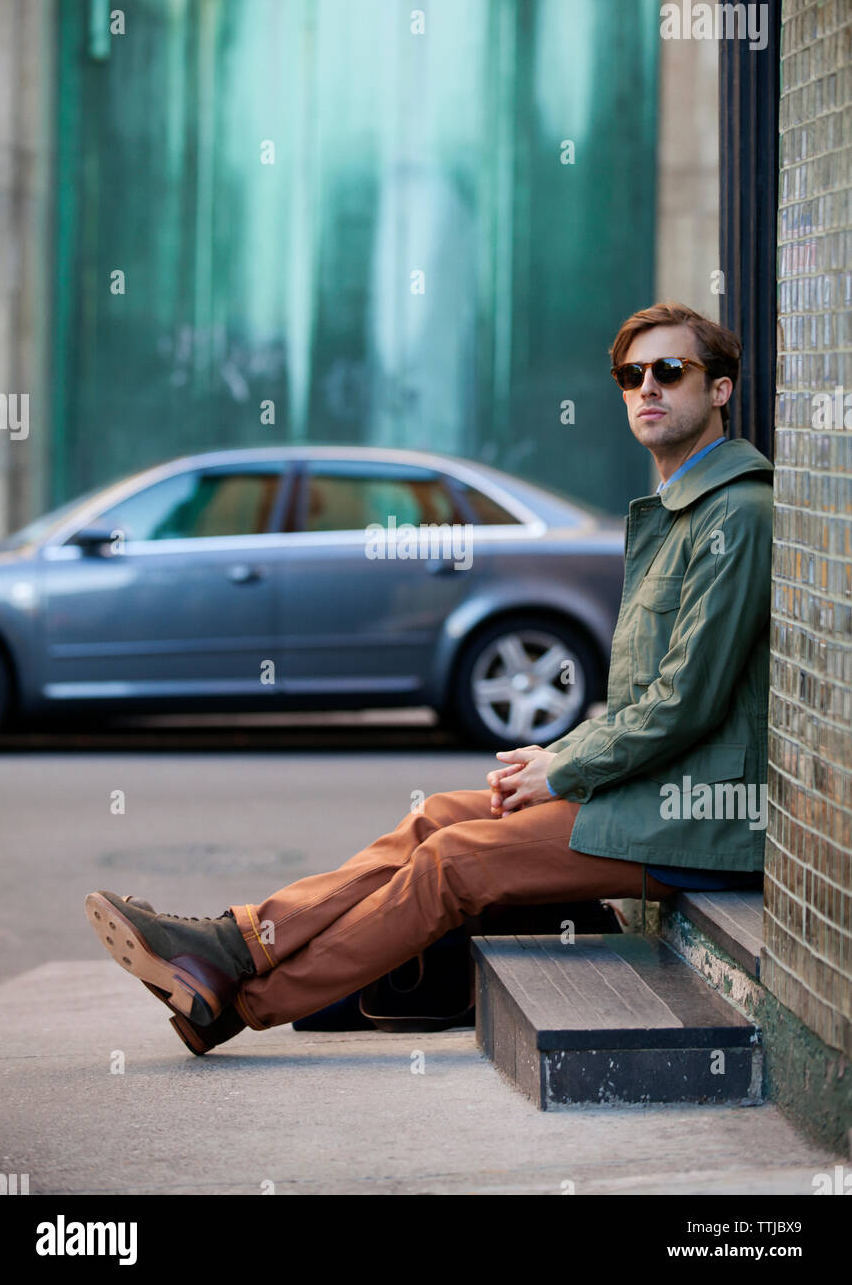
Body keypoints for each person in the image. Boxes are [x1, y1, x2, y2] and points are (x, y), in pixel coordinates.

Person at [85, 300, 773, 1056]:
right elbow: (645, 700)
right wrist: (555, 758)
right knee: (438, 816)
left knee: (454, 862)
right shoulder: (678, 513)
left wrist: (565, 770)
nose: (647, 388)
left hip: (694, 819)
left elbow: (686, 702)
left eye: (670, 370)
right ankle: (237, 941)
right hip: (648, 791)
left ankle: (239, 1000)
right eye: (631, 375)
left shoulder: (736, 516)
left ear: (720, 389)